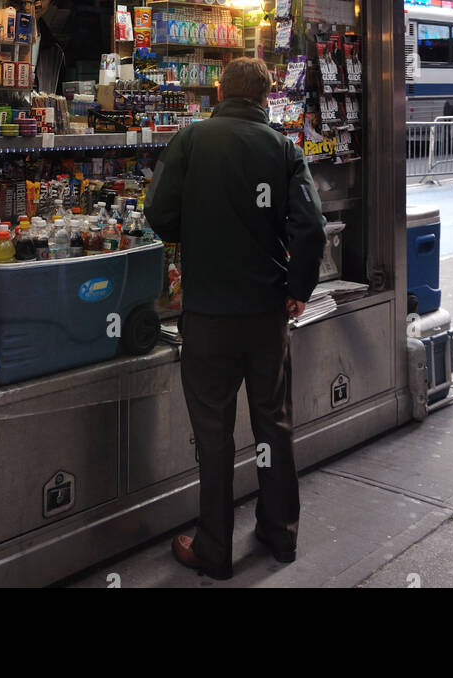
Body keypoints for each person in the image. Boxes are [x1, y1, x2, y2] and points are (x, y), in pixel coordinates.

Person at [144, 57, 326, 580]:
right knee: (274, 423)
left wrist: (198, 229)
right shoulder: (284, 149)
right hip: (266, 314)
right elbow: (310, 227)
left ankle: (213, 547)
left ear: (220, 90)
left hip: (207, 314)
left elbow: (158, 214)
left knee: (213, 431)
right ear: (267, 97)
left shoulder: (191, 141)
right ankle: (279, 533)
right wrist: (298, 290)